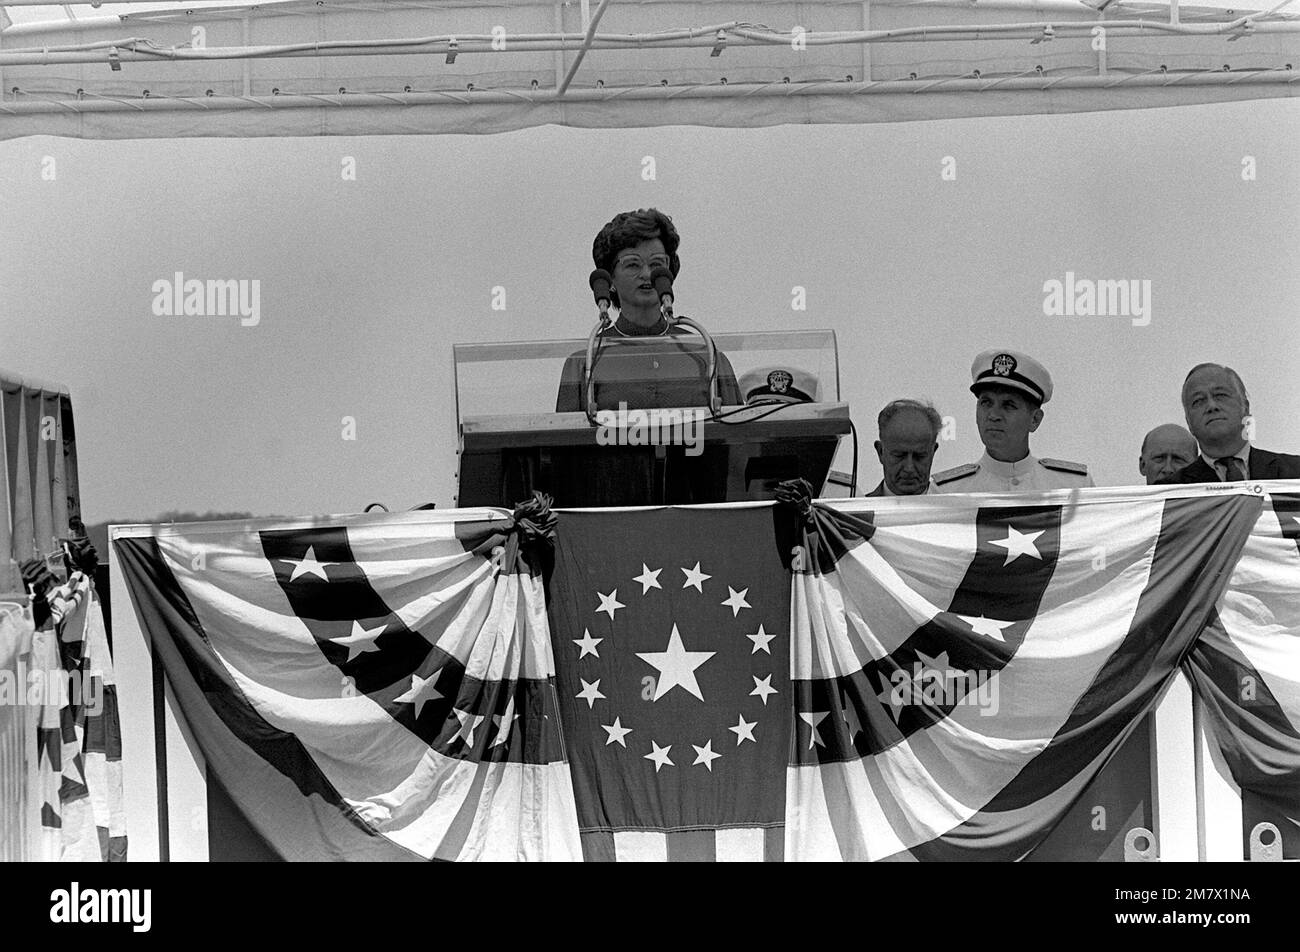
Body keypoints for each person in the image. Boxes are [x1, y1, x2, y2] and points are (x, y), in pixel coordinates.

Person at [555, 208, 741, 413]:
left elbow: (739, 435)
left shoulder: (705, 354)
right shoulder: (585, 362)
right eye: (633, 264)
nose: (647, 274)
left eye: (656, 264)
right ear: (610, 279)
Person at [932, 349, 1094, 492]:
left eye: (1008, 405)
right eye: (986, 403)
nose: (993, 415)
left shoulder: (1074, 487)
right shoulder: (946, 492)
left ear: (1035, 420)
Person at [1163, 363, 1300, 482]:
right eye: (1198, 401)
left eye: (1220, 395)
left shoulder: (1295, 472)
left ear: (1245, 407)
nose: (1211, 406)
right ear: (1188, 422)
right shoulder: (1172, 492)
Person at [868, 399, 941, 496]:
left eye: (919, 456)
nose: (909, 468)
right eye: (899, 455)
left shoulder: (959, 509)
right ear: (880, 452)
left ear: (933, 452)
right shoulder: (852, 511)